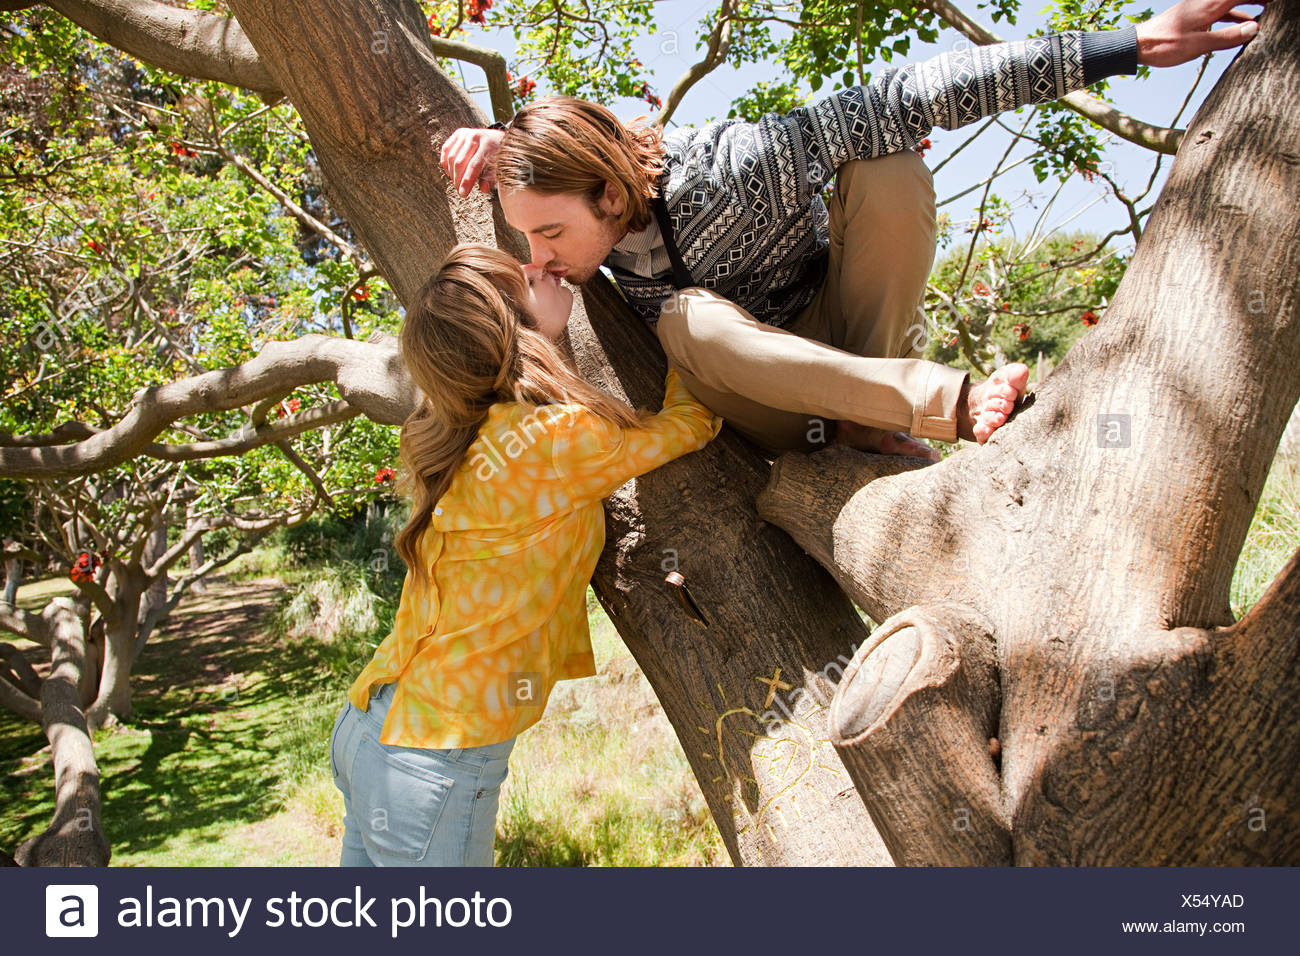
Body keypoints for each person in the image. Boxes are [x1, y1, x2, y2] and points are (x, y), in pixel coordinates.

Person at [440, 0, 1264, 461]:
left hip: (852, 336)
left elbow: (912, 94)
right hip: (762, 396)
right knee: (686, 317)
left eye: (548, 232)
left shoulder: (741, 162)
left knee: (886, 161)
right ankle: (946, 401)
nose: (538, 258)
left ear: (612, 194)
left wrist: (1130, 43)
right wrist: (501, 138)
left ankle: (879, 411)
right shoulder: (576, 204)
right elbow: (562, 165)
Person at [329, 244, 722, 866]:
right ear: (511, 330)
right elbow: (692, 421)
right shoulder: (555, 437)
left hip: (370, 728)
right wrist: (689, 328)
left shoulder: (449, 433)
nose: (544, 266)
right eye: (527, 278)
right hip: (434, 755)